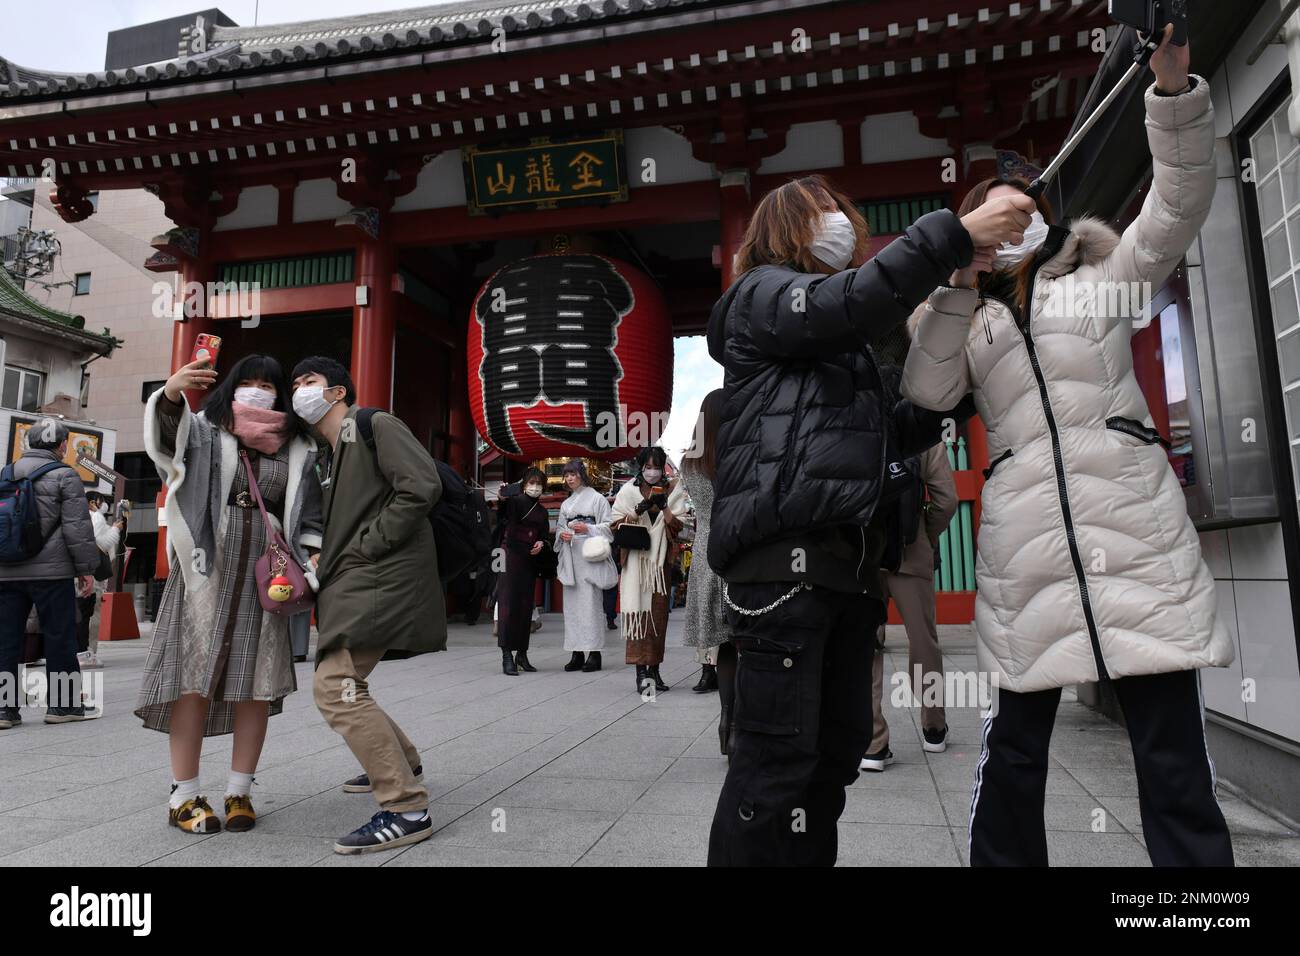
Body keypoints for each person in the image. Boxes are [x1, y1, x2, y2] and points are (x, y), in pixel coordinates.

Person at [902, 28, 1232, 867]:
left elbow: (1178, 204)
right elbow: (929, 391)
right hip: (1026, 559)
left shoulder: (1100, 281)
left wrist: (1170, 89)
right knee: (1013, 759)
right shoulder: (966, 322)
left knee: (1173, 762)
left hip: (1135, 542)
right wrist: (955, 274)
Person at [704, 172, 1031, 867]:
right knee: (773, 768)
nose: (839, 223)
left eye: (840, 211)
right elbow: (853, 300)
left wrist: (964, 380)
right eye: (821, 213)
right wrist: (953, 235)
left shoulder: (845, 350)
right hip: (781, 568)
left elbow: (902, 425)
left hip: (849, 572)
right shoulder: (759, 298)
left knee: (832, 758)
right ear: (784, 231)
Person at [138, 355, 323, 834]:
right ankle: (184, 795)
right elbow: (165, 448)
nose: (258, 392)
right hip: (207, 563)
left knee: (256, 681)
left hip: (267, 571)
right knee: (192, 676)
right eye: (248, 383)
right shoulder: (205, 430)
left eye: (268, 385)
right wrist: (172, 393)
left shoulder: (298, 445)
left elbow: (309, 515)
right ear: (231, 390)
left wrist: (312, 555)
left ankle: (240, 791)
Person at [290, 355, 446, 855]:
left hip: (384, 575)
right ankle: (405, 761)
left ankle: (406, 806)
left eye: (308, 382)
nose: (299, 390)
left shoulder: (373, 423)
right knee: (347, 683)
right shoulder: (328, 453)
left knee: (335, 687)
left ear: (337, 392)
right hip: (358, 579)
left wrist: (368, 544)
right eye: (294, 384)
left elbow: (422, 485)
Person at [0, 418, 101, 730]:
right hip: (52, 572)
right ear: (61, 446)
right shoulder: (65, 476)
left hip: (6, 571)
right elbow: (78, 529)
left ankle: (4, 709)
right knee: (59, 636)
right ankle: (63, 706)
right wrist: (86, 570)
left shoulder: (5, 474)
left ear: (28, 444)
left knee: (6, 640)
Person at [864, 439, 957, 771]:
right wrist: (925, 534)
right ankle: (934, 728)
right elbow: (947, 501)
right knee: (923, 641)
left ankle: (873, 743)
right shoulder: (926, 436)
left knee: (867, 645)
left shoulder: (861, 425)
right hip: (911, 549)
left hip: (866, 554)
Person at [680, 390, 737, 752]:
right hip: (737, 550)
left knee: (725, 646)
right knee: (745, 639)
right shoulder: (736, 456)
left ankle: (727, 722)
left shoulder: (689, 461)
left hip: (704, 552)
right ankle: (745, 725)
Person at [611, 446, 686, 694]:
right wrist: (637, 511)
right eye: (647, 466)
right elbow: (614, 524)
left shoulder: (673, 491)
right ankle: (641, 672)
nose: (652, 472)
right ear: (641, 467)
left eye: (656, 466)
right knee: (638, 615)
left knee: (658, 616)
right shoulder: (628, 491)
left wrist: (664, 507)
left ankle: (654, 670)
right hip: (636, 562)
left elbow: (678, 527)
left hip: (660, 565)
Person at [555, 459, 615, 673]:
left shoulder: (598, 499)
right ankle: (576, 652)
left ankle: (594, 654)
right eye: (567, 475)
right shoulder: (565, 504)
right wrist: (562, 535)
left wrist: (588, 528)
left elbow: (609, 528)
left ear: (582, 474)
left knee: (591, 606)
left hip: (589, 556)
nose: (570, 478)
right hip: (571, 557)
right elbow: (560, 528)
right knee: (571, 608)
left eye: (573, 474)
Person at [495, 468, 551, 675]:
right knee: (508, 604)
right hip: (510, 555)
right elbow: (503, 512)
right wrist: (502, 497)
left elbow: (545, 536)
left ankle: (522, 653)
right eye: (531, 483)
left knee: (526, 606)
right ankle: (506, 654)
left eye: (538, 484)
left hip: (529, 558)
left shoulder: (543, 511)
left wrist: (541, 543)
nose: (535, 487)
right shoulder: (515, 502)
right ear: (524, 485)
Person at [77, 492, 126, 669]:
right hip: (91, 574)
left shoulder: (77, 517)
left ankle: (81, 651)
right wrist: (115, 529)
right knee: (90, 616)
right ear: (93, 502)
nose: (105, 505)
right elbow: (101, 544)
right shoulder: (96, 517)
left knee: (79, 614)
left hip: (77, 572)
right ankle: (87, 652)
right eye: (103, 501)